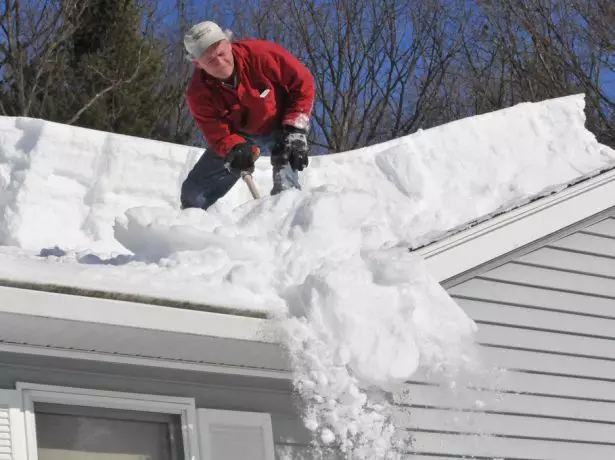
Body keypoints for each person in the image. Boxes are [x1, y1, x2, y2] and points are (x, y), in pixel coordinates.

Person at [180, 21, 316, 210]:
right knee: (193, 193)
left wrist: (295, 127)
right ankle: (191, 227)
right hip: (239, 136)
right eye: (210, 60)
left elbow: (303, 83)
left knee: (287, 182)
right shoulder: (198, 93)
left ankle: (286, 217)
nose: (219, 62)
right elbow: (217, 134)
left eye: (221, 53)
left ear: (228, 43)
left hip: (281, 123)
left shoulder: (262, 54)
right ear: (198, 64)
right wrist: (234, 148)